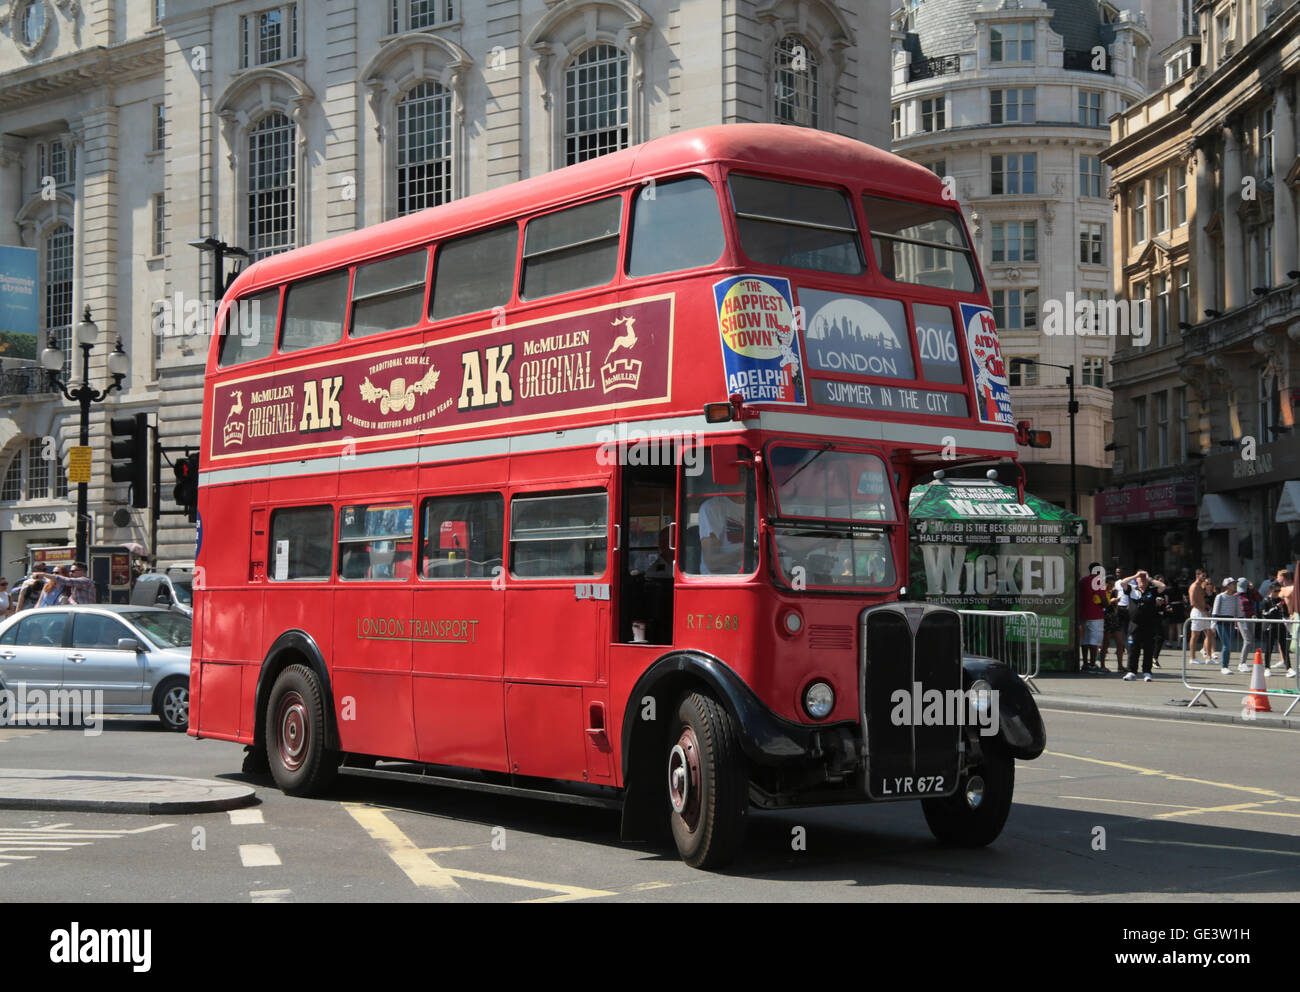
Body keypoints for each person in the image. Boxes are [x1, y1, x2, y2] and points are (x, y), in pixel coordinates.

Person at [1120, 570, 1165, 681]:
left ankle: (1147, 672)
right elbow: (1122, 583)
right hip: (1134, 625)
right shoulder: (1132, 589)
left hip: (1149, 624)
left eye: (1144, 579)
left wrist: (1149, 578)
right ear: (1137, 580)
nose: (1143, 580)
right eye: (1141, 578)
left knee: (1148, 648)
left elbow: (1163, 586)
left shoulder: (1152, 590)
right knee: (1133, 648)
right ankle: (1131, 671)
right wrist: (1136, 575)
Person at [698, 492, 746, 575]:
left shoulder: (758, 507)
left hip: (752, 575)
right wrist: (748, 552)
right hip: (721, 581)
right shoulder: (713, 507)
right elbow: (712, 562)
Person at [1078, 563, 1107, 672]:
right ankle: (1092, 663)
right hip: (1096, 614)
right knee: (1094, 639)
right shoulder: (1099, 581)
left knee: (1085, 639)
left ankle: (1085, 663)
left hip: (1083, 613)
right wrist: (1107, 605)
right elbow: (1103, 599)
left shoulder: (1082, 581)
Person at [1211, 577, 1241, 674]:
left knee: (1229, 645)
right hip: (1221, 623)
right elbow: (1215, 611)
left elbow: (1238, 611)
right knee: (1226, 644)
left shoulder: (1236, 597)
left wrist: (1241, 623)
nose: (1235, 586)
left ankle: (1226, 665)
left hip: (1231, 622)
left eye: (1235, 584)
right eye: (1233, 584)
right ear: (1227, 586)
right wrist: (1213, 625)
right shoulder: (1220, 596)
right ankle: (1224, 666)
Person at [1187, 569, 1215, 663]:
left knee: (1209, 633)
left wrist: (1207, 607)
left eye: (1205, 576)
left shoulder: (1200, 587)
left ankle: (1208, 657)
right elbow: (1193, 602)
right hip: (1197, 612)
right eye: (1203, 576)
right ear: (1197, 575)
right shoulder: (1194, 586)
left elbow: (1202, 600)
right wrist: (1204, 611)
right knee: (1195, 635)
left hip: (1203, 612)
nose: (1204, 578)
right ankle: (1192, 658)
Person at [1099, 579, 1126, 671]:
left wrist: (1116, 599)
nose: (1111, 586)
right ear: (1105, 583)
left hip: (1115, 619)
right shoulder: (1102, 592)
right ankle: (1102, 665)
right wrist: (1111, 600)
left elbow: (1117, 604)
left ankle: (1120, 666)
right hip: (1106, 619)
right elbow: (1102, 605)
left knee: (1120, 643)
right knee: (1106, 644)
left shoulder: (1114, 592)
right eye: (1109, 584)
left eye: (1113, 584)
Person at [1235, 577, 1260, 672]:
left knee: (1250, 640)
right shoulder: (1236, 595)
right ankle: (1242, 663)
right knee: (1248, 640)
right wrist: (1235, 623)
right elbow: (1235, 611)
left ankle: (1243, 662)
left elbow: (1259, 598)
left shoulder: (1250, 594)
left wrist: (1252, 589)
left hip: (1250, 619)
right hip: (1242, 620)